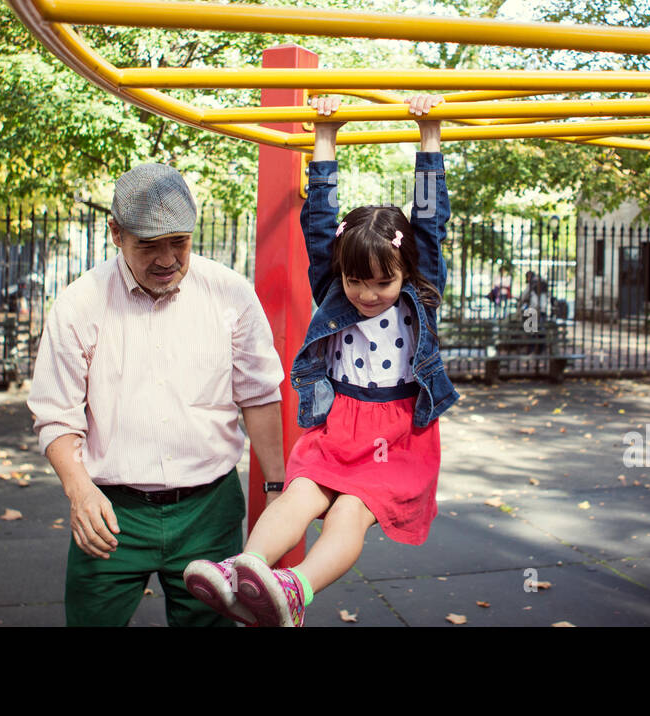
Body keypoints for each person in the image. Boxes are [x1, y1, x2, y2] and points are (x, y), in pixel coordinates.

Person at [183, 93, 458, 627]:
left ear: (406, 274)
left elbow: (431, 222)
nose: (368, 294)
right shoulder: (332, 288)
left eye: (383, 282)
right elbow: (320, 223)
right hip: (338, 424)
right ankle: (244, 569)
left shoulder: (420, 293)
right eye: (357, 281)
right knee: (298, 493)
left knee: (350, 511)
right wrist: (325, 136)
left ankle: (297, 588)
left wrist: (430, 136)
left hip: (395, 435)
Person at [27, 163, 288, 627]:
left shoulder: (230, 294)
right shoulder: (79, 305)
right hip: (111, 509)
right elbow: (55, 415)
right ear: (115, 233)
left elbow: (260, 395)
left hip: (210, 510)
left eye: (180, 242)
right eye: (149, 245)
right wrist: (79, 489)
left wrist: (276, 489)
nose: (167, 259)